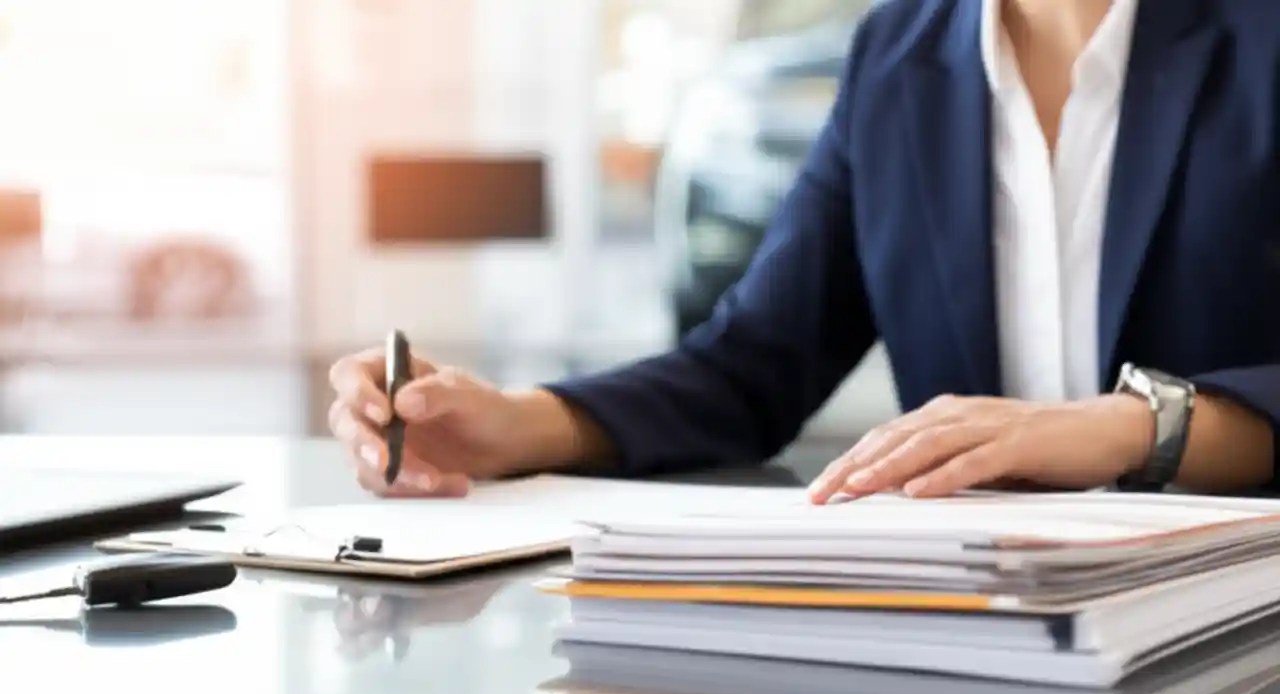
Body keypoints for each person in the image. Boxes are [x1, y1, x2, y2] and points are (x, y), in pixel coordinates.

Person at [329, 0, 1279, 503]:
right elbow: (751, 366)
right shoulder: (897, 55)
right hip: (989, 624)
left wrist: (1125, 427)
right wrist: (517, 423)